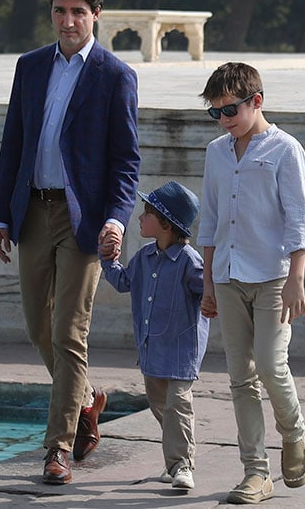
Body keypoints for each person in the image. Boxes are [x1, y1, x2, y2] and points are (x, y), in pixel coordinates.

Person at [0, 0, 141, 486]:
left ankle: (58, 448)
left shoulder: (115, 76)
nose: (68, 21)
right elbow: (13, 143)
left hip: (85, 222)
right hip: (32, 211)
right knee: (39, 327)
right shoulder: (30, 66)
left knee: (69, 331)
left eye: (78, 12)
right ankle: (88, 399)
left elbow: (126, 162)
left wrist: (116, 219)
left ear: (96, 15)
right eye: (60, 11)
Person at [197, 62, 305, 504]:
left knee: (270, 365)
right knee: (240, 378)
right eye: (216, 113)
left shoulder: (285, 149)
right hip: (227, 277)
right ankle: (256, 472)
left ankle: (293, 432)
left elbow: (298, 219)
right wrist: (208, 282)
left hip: (274, 277)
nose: (224, 119)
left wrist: (297, 277)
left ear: (256, 101)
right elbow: (209, 221)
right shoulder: (216, 153)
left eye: (230, 110)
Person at [99, 181, 209, 491]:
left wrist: (215, 297)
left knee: (178, 405)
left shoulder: (189, 261)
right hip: (151, 349)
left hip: (181, 350)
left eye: (146, 213)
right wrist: (108, 260)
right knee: (161, 407)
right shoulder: (143, 258)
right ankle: (176, 458)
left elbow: (208, 291)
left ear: (165, 224)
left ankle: (182, 465)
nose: (139, 218)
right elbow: (123, 282)